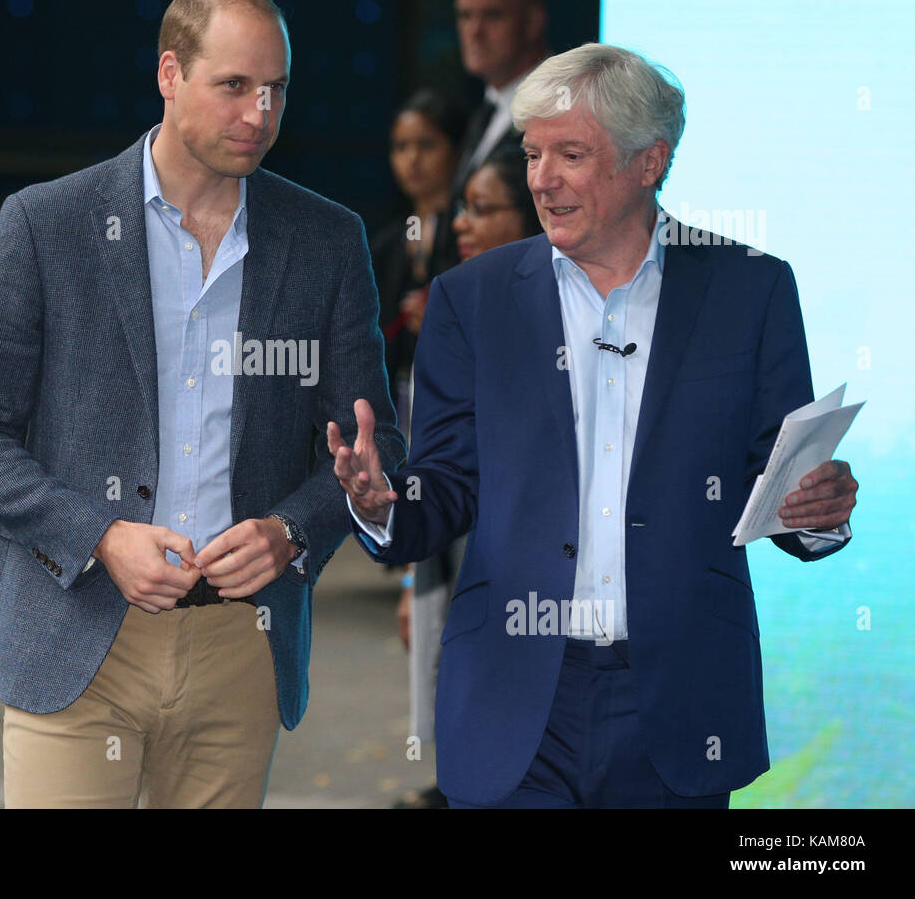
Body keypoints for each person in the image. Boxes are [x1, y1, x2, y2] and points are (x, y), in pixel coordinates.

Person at [329, 43, 859, 808]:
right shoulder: (473, 299)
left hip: (678, 703)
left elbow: (775, 477)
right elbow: (447, 482)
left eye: (570, 154)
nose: (541, 179)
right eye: (533, 153)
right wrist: (383, 504)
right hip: (515, 702)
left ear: (650, 161)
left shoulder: (752, 289)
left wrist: (816, 511)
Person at [0, 0, 405, 808]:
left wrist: (294, 530)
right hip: (75, 631)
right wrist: (100, 534)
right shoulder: (49, 224)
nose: (260, 113)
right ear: (169, 75)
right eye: (234, 86)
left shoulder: (327, 241)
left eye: (276, 90)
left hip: (241, 643)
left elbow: (372, 444)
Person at [391, 144, 541, 809]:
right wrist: (407, 569)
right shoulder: (456, 303)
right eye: (463, 208)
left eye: (483, 209)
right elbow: (439, 468)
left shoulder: (554, 318)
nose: (462, 223)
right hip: (456, 547)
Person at [432, 0, 547, 278]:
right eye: (465, 16)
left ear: (533, 22)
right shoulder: (484, 110)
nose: (474, 31)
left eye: (492, 15)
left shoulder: (561, 111)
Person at [369, 88, 466, 442]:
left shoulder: (472, 237)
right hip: (395, 407)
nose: (412, 160)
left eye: (426, 145)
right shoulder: (386, 243)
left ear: (457, 151)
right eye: (401, 147)